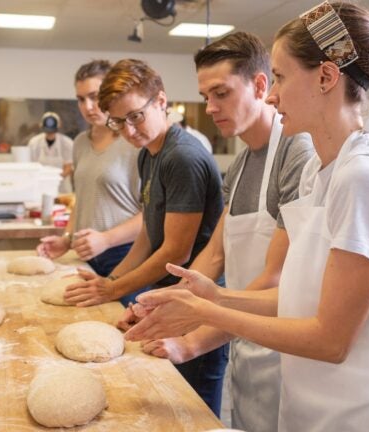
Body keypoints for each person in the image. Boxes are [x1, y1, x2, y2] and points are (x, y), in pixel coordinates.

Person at [124, 2, 369, 431]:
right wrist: (213, 297)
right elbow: (300, 297)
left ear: (326, 77)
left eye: (280, 77)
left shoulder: (365, 177)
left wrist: (209, 314)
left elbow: (331, 339)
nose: (271, 95)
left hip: (366, 412)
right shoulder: (321, 171)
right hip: (313, 406)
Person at [120, 32, 313, 431]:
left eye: (221, 93)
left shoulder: (297, 154)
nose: (210, 107)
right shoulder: (240, 166)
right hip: (242, 343)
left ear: (260, 85)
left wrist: (191, 340)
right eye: (205, 96)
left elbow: (274, 278)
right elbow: (215, 255)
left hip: (286, 355)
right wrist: (157, 304)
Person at [65, 58, 227, 416]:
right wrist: (112, 281)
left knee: (193, 412)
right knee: (164, 405)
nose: (129, 130)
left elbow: (177, 252)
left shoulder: (182, 157)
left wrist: (113, 290)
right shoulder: (149, 154)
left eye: (135, 116)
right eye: (118, 121)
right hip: (168, 298)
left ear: (161, 101)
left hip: (197, 306)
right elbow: (149, 235)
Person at [36, 60, 142, 279]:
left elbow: (153, 215)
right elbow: (82, 200)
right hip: (87, 254)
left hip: (126, 254)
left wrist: (106, 239)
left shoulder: (134, 141)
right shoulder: (80, 143)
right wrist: (67, 239)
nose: (88, 106)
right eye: (81, 99)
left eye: (94, 96)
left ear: (113, 93)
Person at [27, 112, 74, 193]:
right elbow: (31, 166)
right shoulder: (34, 143)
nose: (50, 133)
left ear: (59, 126)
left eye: (52, 130)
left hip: (62, 188)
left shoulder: (67, 143)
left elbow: (68, 166)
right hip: (40, 186)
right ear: (41, 126)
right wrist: (44, 180)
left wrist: (53, 180)